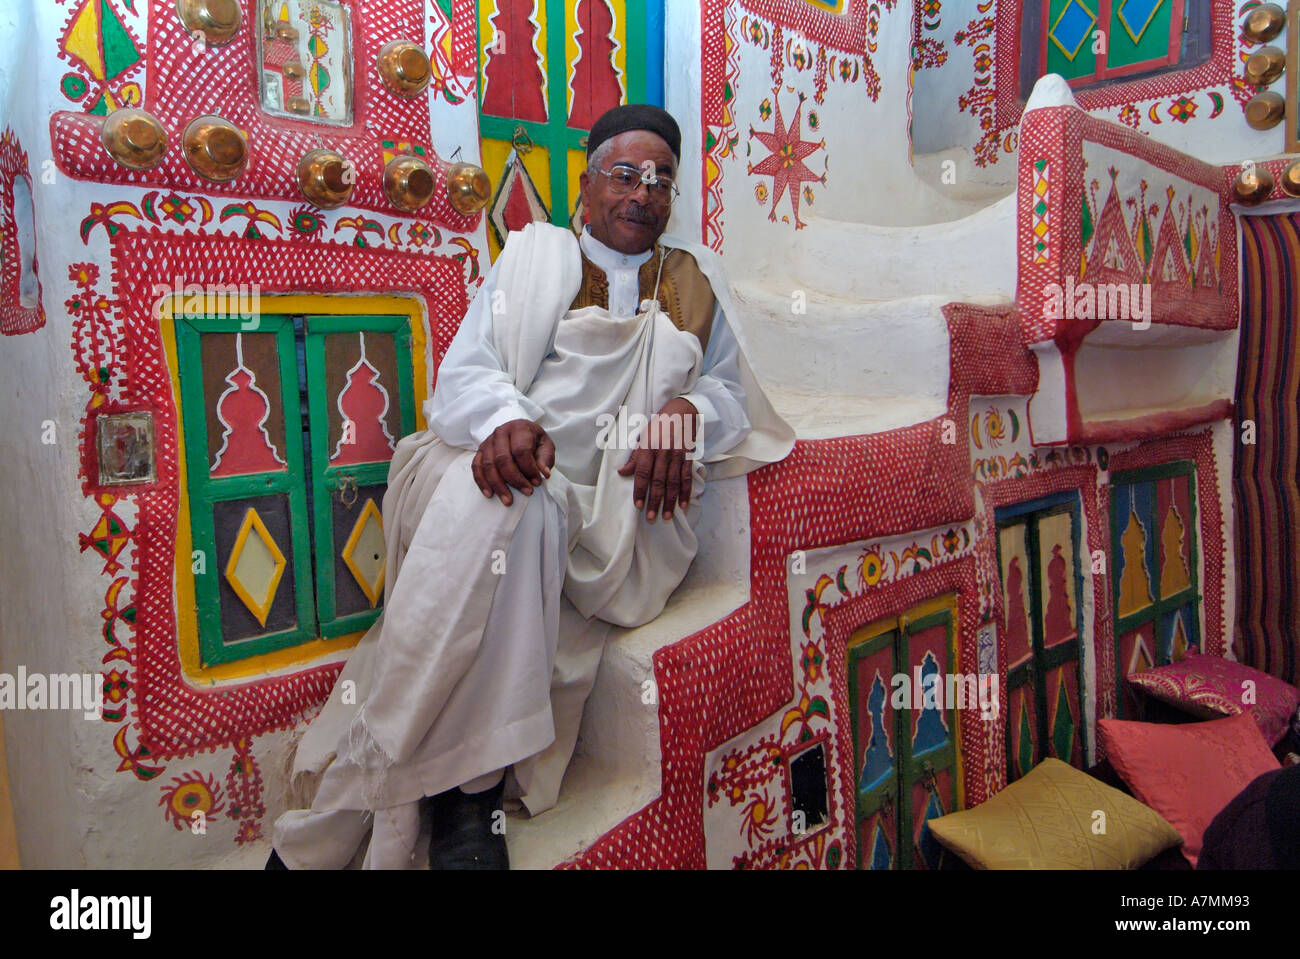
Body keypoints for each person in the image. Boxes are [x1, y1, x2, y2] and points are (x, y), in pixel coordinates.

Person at [268, 104, 793, 869]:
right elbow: (468, 374)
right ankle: (470, 800)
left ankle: (350, 806)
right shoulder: (533, 256)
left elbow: (734, 397)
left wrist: (689, 410)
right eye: (625, 173)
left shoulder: (694, 278)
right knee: (514, 503)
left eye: (662, 180)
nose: (643, 193)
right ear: (584, 186)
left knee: (528, 515)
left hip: (617, 516)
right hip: (490, 461)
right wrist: (507, 423)